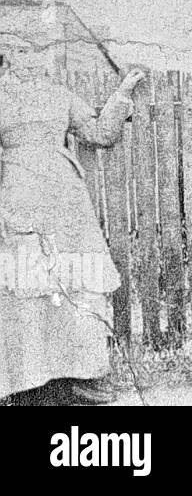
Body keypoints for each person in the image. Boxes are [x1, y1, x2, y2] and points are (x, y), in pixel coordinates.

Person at [0, 37, 145, 405]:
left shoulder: (59, 94)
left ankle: (80, 379)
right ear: (8, 58)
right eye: (20, 52)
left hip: (66, 200)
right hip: (20, 196)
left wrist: (123, 92)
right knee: (27, 287)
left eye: (34, 50)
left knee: (77, 285)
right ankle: (30, 383)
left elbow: (99, 133)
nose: (29, 60)